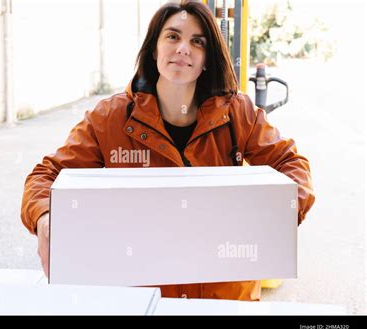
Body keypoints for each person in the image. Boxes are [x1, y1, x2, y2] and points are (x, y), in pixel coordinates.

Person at [20, 0, 315, 301]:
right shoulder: (111, 117)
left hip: (225, 299)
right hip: (142, 298)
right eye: (173, 36)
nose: (183, 48)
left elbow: (291, 164)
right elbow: (47, 175)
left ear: (207, 59)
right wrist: (45, 216)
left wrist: (279, 214)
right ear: (154, 49)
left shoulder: (238, 113)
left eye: (196, 42)